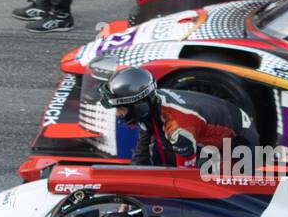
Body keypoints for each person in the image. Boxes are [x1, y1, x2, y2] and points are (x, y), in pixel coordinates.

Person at [98, 67, 259, 168]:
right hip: (218, 121)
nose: (117, 114)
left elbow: (184, 178)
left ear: (139, 106)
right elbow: (141, 155)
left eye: (119, 108)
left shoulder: (179, 127)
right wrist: (131, 192)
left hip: (239, 142)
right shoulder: (152, 103)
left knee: (204, 190)